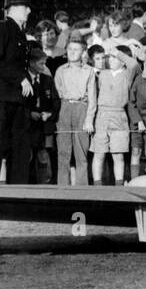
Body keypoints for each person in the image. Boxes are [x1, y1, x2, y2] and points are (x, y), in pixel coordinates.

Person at [0, 0, 34, 184]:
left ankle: (18, 188)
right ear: (11, 8)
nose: (28, 11)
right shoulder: (2, 29)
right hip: (2, 96)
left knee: (19, 146)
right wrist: (20, 79)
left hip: (18, 97)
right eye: (24, 7)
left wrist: (27, 80)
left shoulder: (22, 34)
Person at [89, 48, 136, 186]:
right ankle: (98, 186)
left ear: (123, 61)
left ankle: (119, 185)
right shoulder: (101, 74)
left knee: (118, 154)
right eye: (110, 57)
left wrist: (118, 52)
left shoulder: (128, 74)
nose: (111, 60)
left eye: (115, 58)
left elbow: (133, 64)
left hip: (119, 116)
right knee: (99, 153)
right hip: (102, 116)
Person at [54, 38, 96, 185]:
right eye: (70, 49)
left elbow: (92, 98)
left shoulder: (89, 71)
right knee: (63, 152)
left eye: (76, 49)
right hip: (64, 108)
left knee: (81, 153)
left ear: (83, 52)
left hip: (81, 109)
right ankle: (62, 187)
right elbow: (57, 93)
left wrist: (89, 119)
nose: (72, 52)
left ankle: (82, 188)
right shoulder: (60, 70)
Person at [26, 48, 59, 184]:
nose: (44, 67)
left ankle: (45, 183)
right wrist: (29, 114)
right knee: (28, 156)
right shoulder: (23, 79)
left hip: (44, 125)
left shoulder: (47, 80)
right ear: (32, 63)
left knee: (44, 155)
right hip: (27, 126)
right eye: (41, 64)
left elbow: (55, 100)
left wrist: (50, 114)